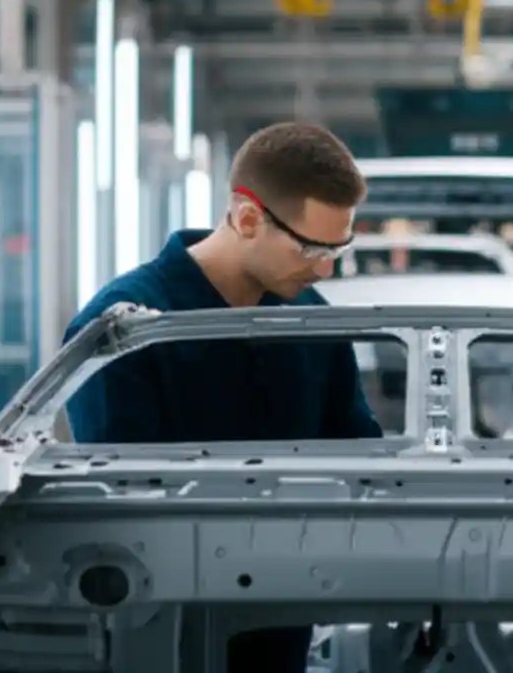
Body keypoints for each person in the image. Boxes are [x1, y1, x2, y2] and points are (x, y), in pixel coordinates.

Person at [62, 121, 383, 672]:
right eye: (311, 247)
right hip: (165, 636)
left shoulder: (311, 320)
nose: (326, 268)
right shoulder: (125, 328)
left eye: (340, 248)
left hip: (283, 625)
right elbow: (122, 509)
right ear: (247, 217)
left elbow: (360, 451)